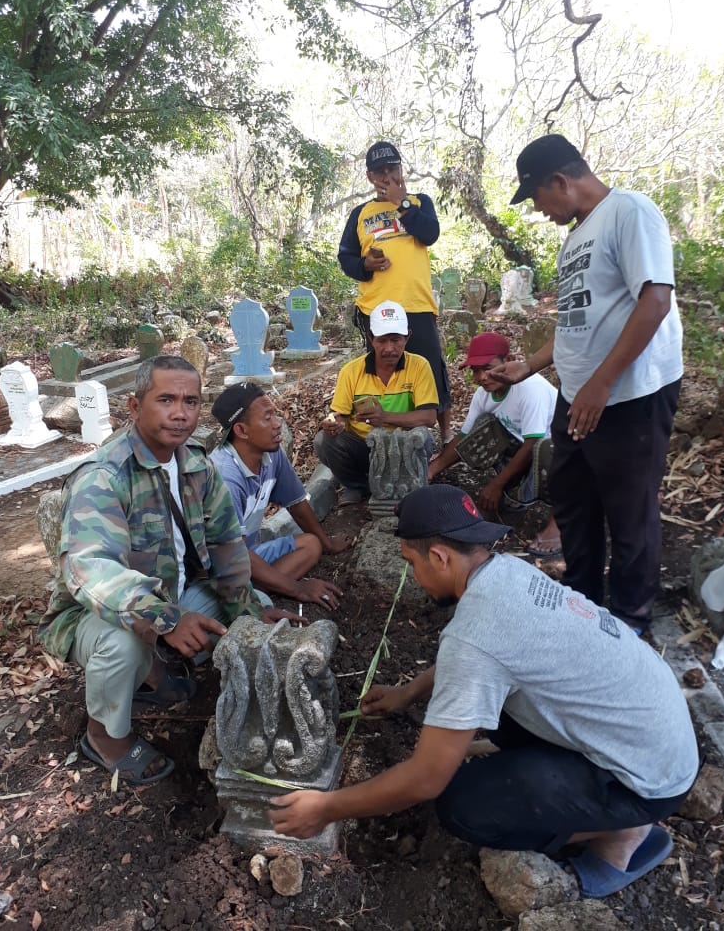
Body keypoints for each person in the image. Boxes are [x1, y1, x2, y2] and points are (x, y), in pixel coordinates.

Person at [269, 484, 699, 901]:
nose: (412, 577)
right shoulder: (508, 572)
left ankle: (620, 831)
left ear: (438, 556)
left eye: (410, 563)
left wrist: (325, 808)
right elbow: (489, 657)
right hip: (658, 734)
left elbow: (425, 780)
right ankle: (586, 795)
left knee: (463, 806)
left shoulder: (474, 638)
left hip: (646, 782)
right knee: (506, 706)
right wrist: (408, 692)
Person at [39, 355, 299, 787]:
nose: (180, 413)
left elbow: (226, 544)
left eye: (191, 401)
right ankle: (104, 735)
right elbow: (91, 571)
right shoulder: (104, 476)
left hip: (177, 593)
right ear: (135, 406)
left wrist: (247, 608)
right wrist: (166, 619)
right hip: (98, 614)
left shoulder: (196, 463)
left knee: (256, 614)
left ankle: (154, 674)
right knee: (123, 646)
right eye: (165, 399)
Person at [497, 133, 683, 633]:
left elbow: (655, 301)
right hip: (578, 398)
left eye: (536, 198)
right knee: (574, 499)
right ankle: (582, 604)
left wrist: (602, 383)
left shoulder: (630, 212)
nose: (538, 210)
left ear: (560, 181)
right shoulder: (576, 238)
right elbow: (575, 325)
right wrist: (527, 367)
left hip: (629, 397)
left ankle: (629, 622)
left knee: (629, 513)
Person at [337, 140, 452, 443]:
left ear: (401, 169)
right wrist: (366, 264)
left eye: (392, 168)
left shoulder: (420, 202)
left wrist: (402, 202)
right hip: (376, 308)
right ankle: (380, 431)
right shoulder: (360, 214)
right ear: (369, 177)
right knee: (382, 369)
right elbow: (345, 258)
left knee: (431, 367)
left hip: (416, 303)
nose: (386, 175)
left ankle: (444, 432)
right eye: (379, 171)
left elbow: (430, 233)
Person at [210, 382, 352, 611]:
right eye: (267, 418)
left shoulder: (270, 455)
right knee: (243, 570)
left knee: (311, 545)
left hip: (246, 554)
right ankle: (244, 596)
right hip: (218, 568)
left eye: (275, 415)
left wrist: (328, 544)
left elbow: (297, 504)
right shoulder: (225, 476)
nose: (277, 425)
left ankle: (258, 587)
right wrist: (298, 588)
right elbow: (232, 554)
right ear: (241, 431)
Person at [428, 331, 561, 556]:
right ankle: (516, 495)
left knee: (545, 449)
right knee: (484, 425)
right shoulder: (483, 394)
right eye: (475, 371)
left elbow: (532, 444)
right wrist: (431, 470)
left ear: (508, 361)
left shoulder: (530, 388)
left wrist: (496, 485)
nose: (481, 377)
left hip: (560, 457)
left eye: (487, 368)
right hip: (521, 453)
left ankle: (558, 524)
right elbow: (464, 436)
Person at [314, 300, 438, 503]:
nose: (389, 348)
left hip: (405, 445)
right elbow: (339, 414)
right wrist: (335, 423)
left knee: (423, 436)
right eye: (382, 340)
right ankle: (359, 485)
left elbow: (429, 417)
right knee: (324, 441)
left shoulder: (419, 366)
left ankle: (407, 482)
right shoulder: (351, 371)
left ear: (407, 337)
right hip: (365, 448)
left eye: (396, 340)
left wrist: (385, 417)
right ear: (371, 339)